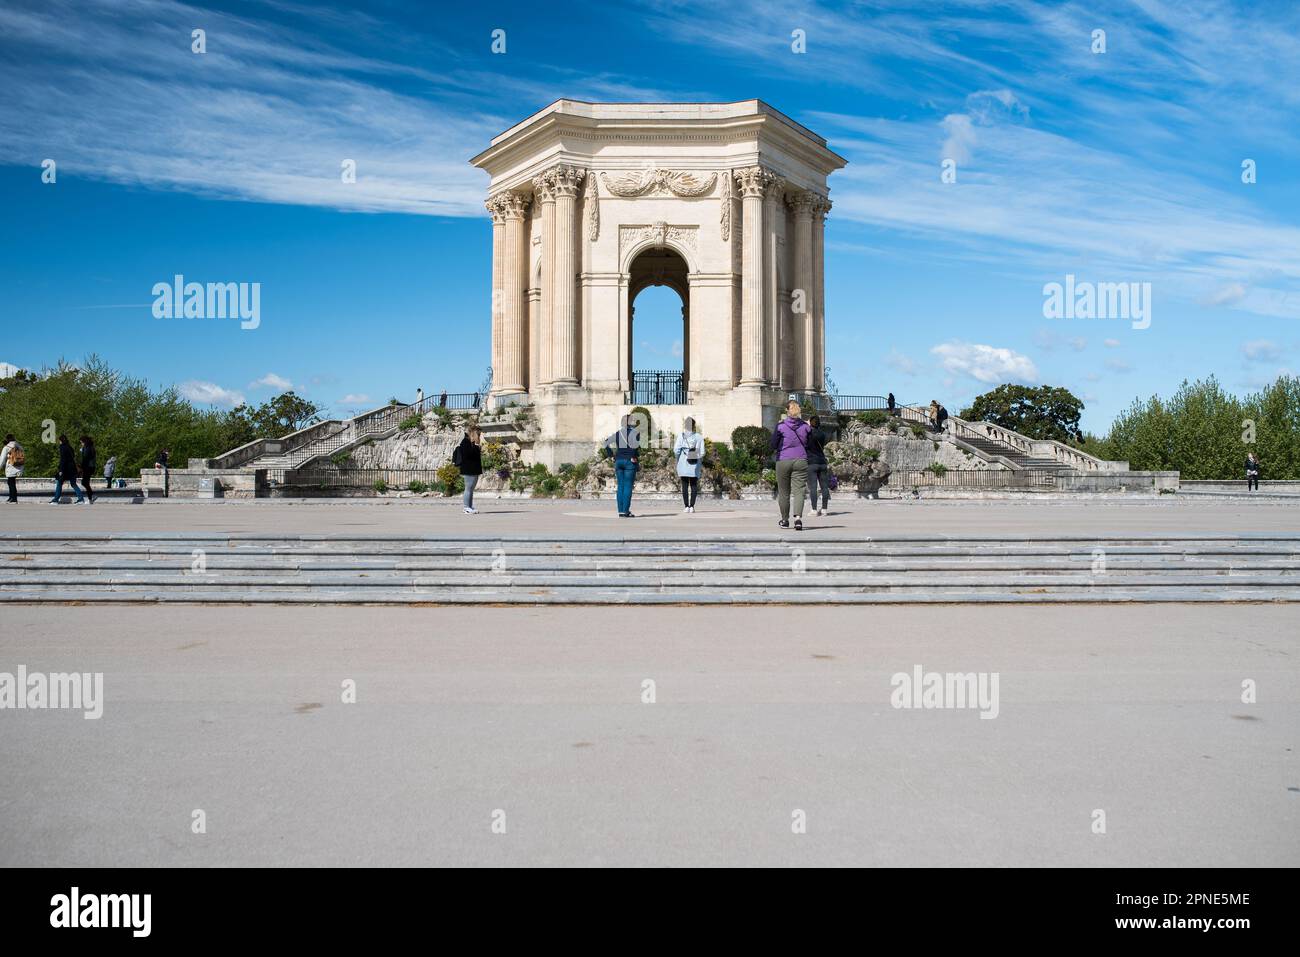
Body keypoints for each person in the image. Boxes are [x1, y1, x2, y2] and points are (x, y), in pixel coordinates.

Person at [770, 400, 810, 530]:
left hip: (783, 460)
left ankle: (785, 520)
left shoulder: (780, 426)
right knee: (799, 491)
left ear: (787, 411)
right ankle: (798, 519)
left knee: (784, 492)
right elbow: (809, 444)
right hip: (801, 460)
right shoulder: (805, 426)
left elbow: (773, 444)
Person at [603, 415, 641, 517]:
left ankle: (620, 511)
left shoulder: (617, 433)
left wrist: (611, 455)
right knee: (628, 486)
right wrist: (633, 456)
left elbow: (605, 442)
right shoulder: (635, 433)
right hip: (629, 461)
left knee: (620, 486)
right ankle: (625, 511)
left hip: (618, 461)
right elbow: (635, 447)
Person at [674, 416, 704, 513]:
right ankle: (692, 506)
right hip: (694, 462)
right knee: (694, 485)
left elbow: (676, 450)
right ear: (694, 426)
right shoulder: (699, 437)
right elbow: (702, 452)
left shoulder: (681, 436)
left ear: (685, 425)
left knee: (684, 485)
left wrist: (678, 459)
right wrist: (695, 455)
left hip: (683, 461)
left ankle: (686, 506)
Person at [806, 414, 831, 516]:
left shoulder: (808, 434)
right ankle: (824, 509)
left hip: (811, 462)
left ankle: (814, 510)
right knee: (824, 487)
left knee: (813, 487)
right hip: (822, 461)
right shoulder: (823, 434)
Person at [454, 425, 483, 513]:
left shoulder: (471, 443)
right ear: (473, 433)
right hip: (469, 469)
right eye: (478, 434)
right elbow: (468, 454)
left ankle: (470, 506)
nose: (479, 435)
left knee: (471, 489)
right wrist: (477, 447)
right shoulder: (465, 442)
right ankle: (466, 507)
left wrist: (476, 447)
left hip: (473, 469)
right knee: (468, 488)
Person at [50, 435, 85, 504]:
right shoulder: (69, 447)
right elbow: (73, 457)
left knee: (59, 482)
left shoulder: (62, 447)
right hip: (72, 469)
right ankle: (81, 499)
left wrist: (61, 470)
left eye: (59, 441)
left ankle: (55, 500)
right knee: (73, 484)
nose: (59, 442)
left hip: (66, 469)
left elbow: (63, 460)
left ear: (61, 441)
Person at [3, 433, 24, 503]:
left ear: (7, 439)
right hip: (18, 466)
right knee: (12, 483)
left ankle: (12, 498)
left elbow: (2, 458)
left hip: (10, 467)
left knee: (10, 483)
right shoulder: (19, 446)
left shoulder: (7, 447)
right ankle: (12, 498)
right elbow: (22, 457)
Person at [78, 436, 97, 504]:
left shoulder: (87, 448)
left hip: (88, 467)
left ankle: (92, 496)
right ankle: (90, 499)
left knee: (84, 482)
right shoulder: (90, 447)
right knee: (86, 482)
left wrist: (81, 467)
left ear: (85, 442)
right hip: (90, 467)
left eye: (81, 443)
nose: (81, 444)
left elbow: (85, 459)